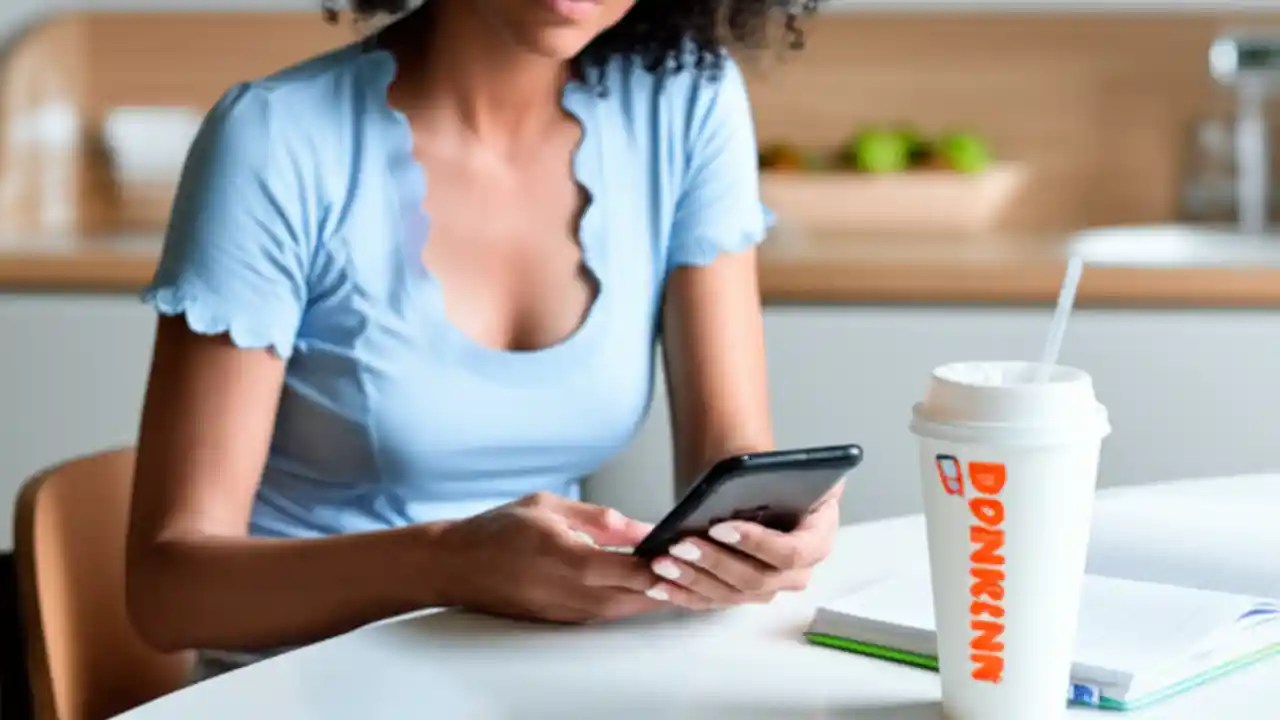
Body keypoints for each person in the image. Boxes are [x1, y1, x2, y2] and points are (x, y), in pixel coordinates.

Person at [125, 0, 840, 681]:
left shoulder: (685, 100)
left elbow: (731, 461)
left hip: (525, 676)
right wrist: (449, 563)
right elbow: (168, 594)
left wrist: (768, 528)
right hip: (294, 685)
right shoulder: (278, 138)